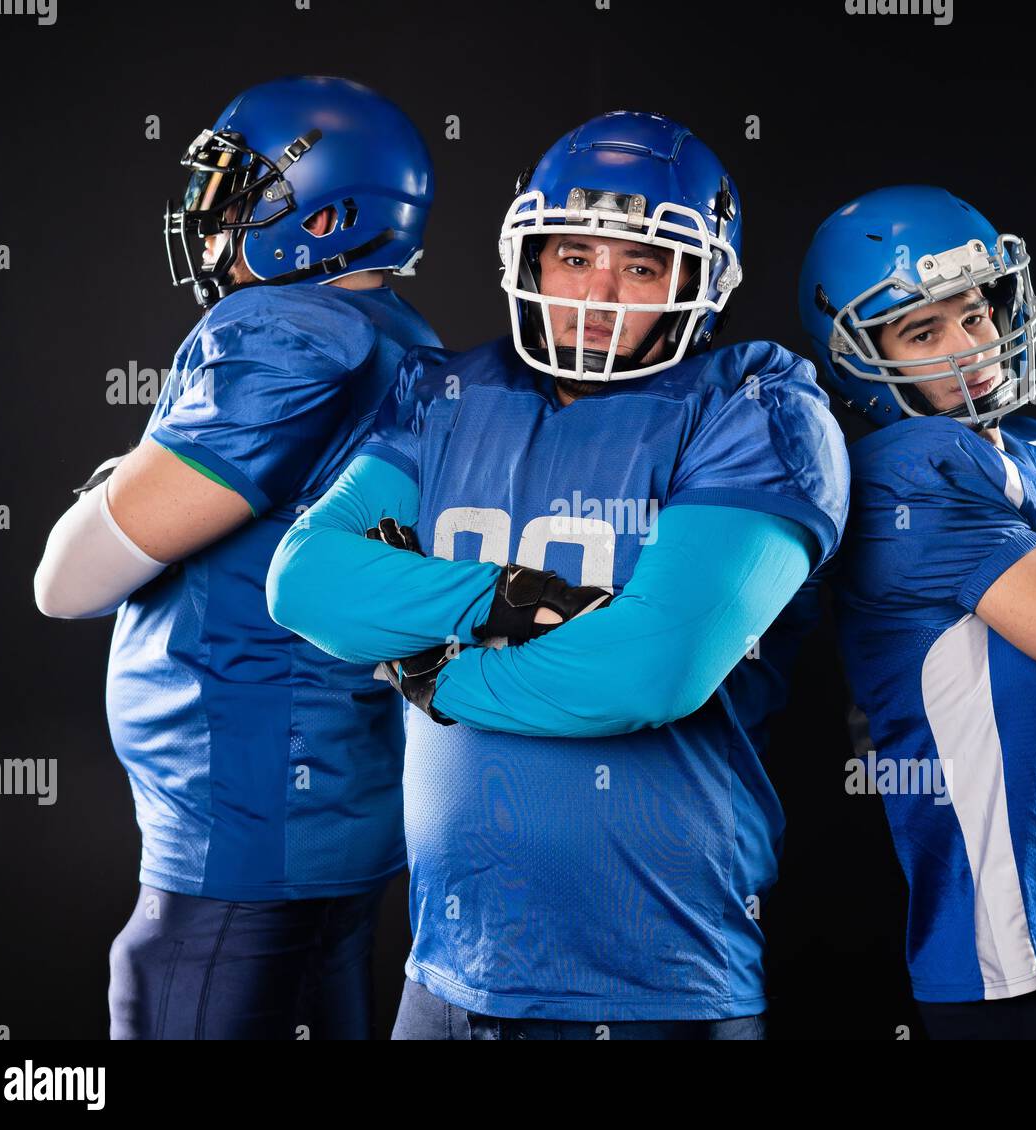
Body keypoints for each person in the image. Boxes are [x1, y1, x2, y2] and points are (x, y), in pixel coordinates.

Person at [268, 111, 851, 1039]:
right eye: (574, 256)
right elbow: (304, 582)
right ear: (529, 260)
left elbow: (646, 671)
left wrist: (436, 677)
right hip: (445, 976)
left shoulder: (752, 407)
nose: (601, 292)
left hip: (655, 980)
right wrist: (501, 599)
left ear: (699, 283)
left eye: (643, 266)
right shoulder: (448, 391)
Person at [33, 75, 439, 1039]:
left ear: (325, 214)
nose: (205, 218)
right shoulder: (399, 334)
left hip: (246, 824)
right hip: (329, 802)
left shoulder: (285, 329)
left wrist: (114, 485)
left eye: (237, 192)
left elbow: (66, 580)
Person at [798, 184, 1036, 1039]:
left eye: (973, 314)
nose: (970, 347)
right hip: (1012, 945)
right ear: (864, 358)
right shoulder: (914, 473)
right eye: (922, 331)